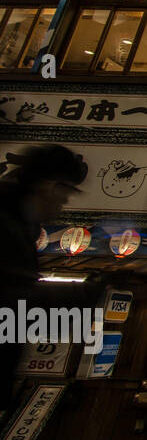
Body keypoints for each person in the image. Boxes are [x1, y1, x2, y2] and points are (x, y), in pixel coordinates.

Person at [0, 145, 88, 415]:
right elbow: (11, 305)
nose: (64, 203)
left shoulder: (20, 225)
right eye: (66, 194)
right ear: (50, 186)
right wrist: (85, 295)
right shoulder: (6, 227)